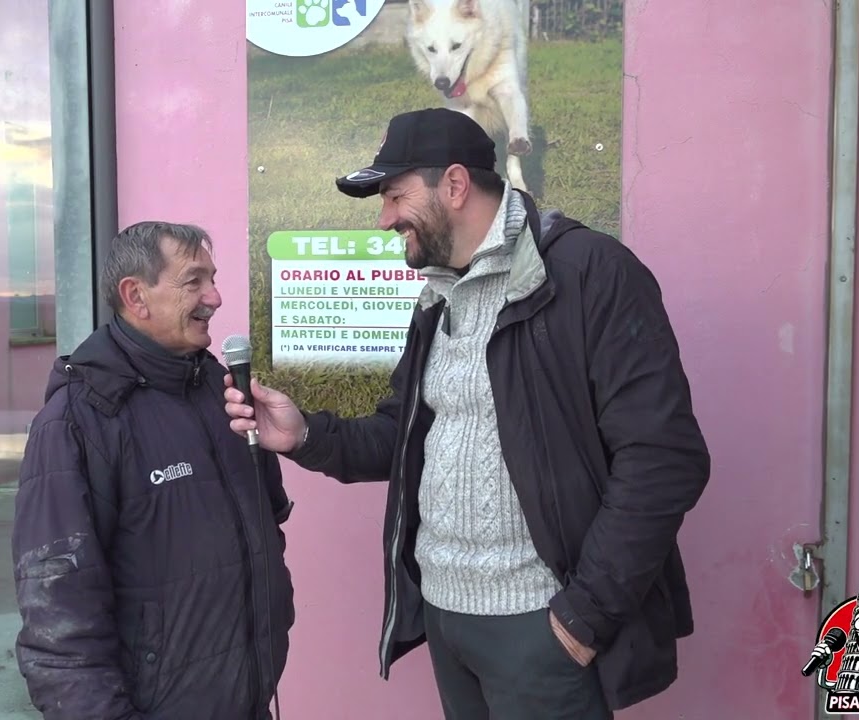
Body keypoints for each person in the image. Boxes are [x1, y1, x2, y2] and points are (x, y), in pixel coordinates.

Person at [223, 108, 710, 720]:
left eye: (395, 196)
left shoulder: (591, 273)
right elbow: (401, 435)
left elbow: (664, 460)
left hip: (542, 629)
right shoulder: (439, 295)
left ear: (455, 185)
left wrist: (584, 616)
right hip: (450, 622)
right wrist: (304, 435)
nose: (384, 219)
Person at [11, 221, 295, 720]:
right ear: (135, 296)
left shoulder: (220, 390)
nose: (215, 297)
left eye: (213, 278)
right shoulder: (79, 421)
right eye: (194, 282)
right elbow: (58, 615)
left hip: (248, 698)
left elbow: (264, 520)